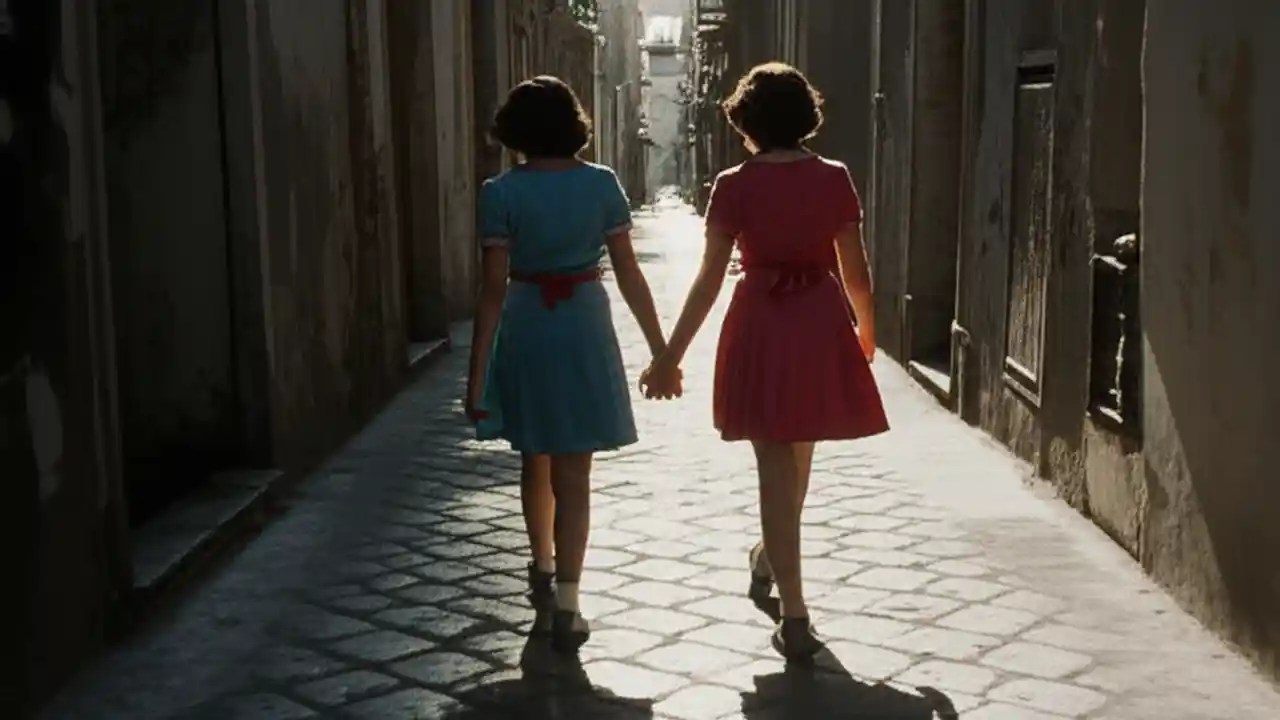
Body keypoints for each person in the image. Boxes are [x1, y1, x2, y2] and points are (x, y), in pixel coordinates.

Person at [641, 62, 889, 662]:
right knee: (795, 460)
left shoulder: (734, 184)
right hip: (818, 320)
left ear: (746, 120)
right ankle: (795, 611)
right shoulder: (834, 178)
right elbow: (854, 267)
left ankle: (770, 563)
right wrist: (866, 329)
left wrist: (671, 355)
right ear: (806, 116)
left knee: (780, 464)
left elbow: (706, 280)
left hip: (760, 322)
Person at [465, 76, 671, 653]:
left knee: (535, 456)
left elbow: (490, 289)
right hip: (583, 322)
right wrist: (660, 348)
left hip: (527, 323)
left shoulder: (499, 192)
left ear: (516, 131)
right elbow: (629, 272)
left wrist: (476, 374)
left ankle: (541, 567)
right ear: (574, 125)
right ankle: (569, 603)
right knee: (575, 471)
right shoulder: (601, 184)